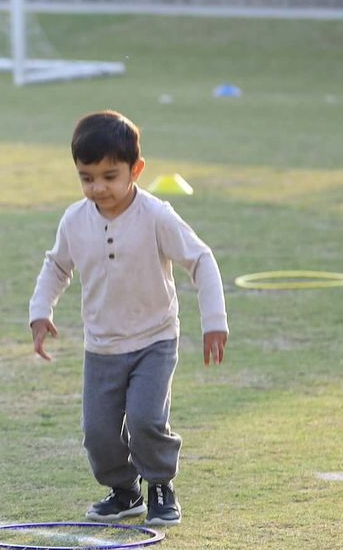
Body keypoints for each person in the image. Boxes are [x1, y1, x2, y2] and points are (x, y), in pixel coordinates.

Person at [28, 111, 228, 527]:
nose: (98, 188)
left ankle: (159, 484)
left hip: (154, 339)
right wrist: (40, 311)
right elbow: (57, 266)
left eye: (109, 176)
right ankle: (124, 490)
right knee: (98, 434)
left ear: (136, 170)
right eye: (86, 177)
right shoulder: (74, 220)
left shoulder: (156, 215)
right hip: (101, 346)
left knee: (146, 420)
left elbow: (201, 260)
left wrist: (214, 319)